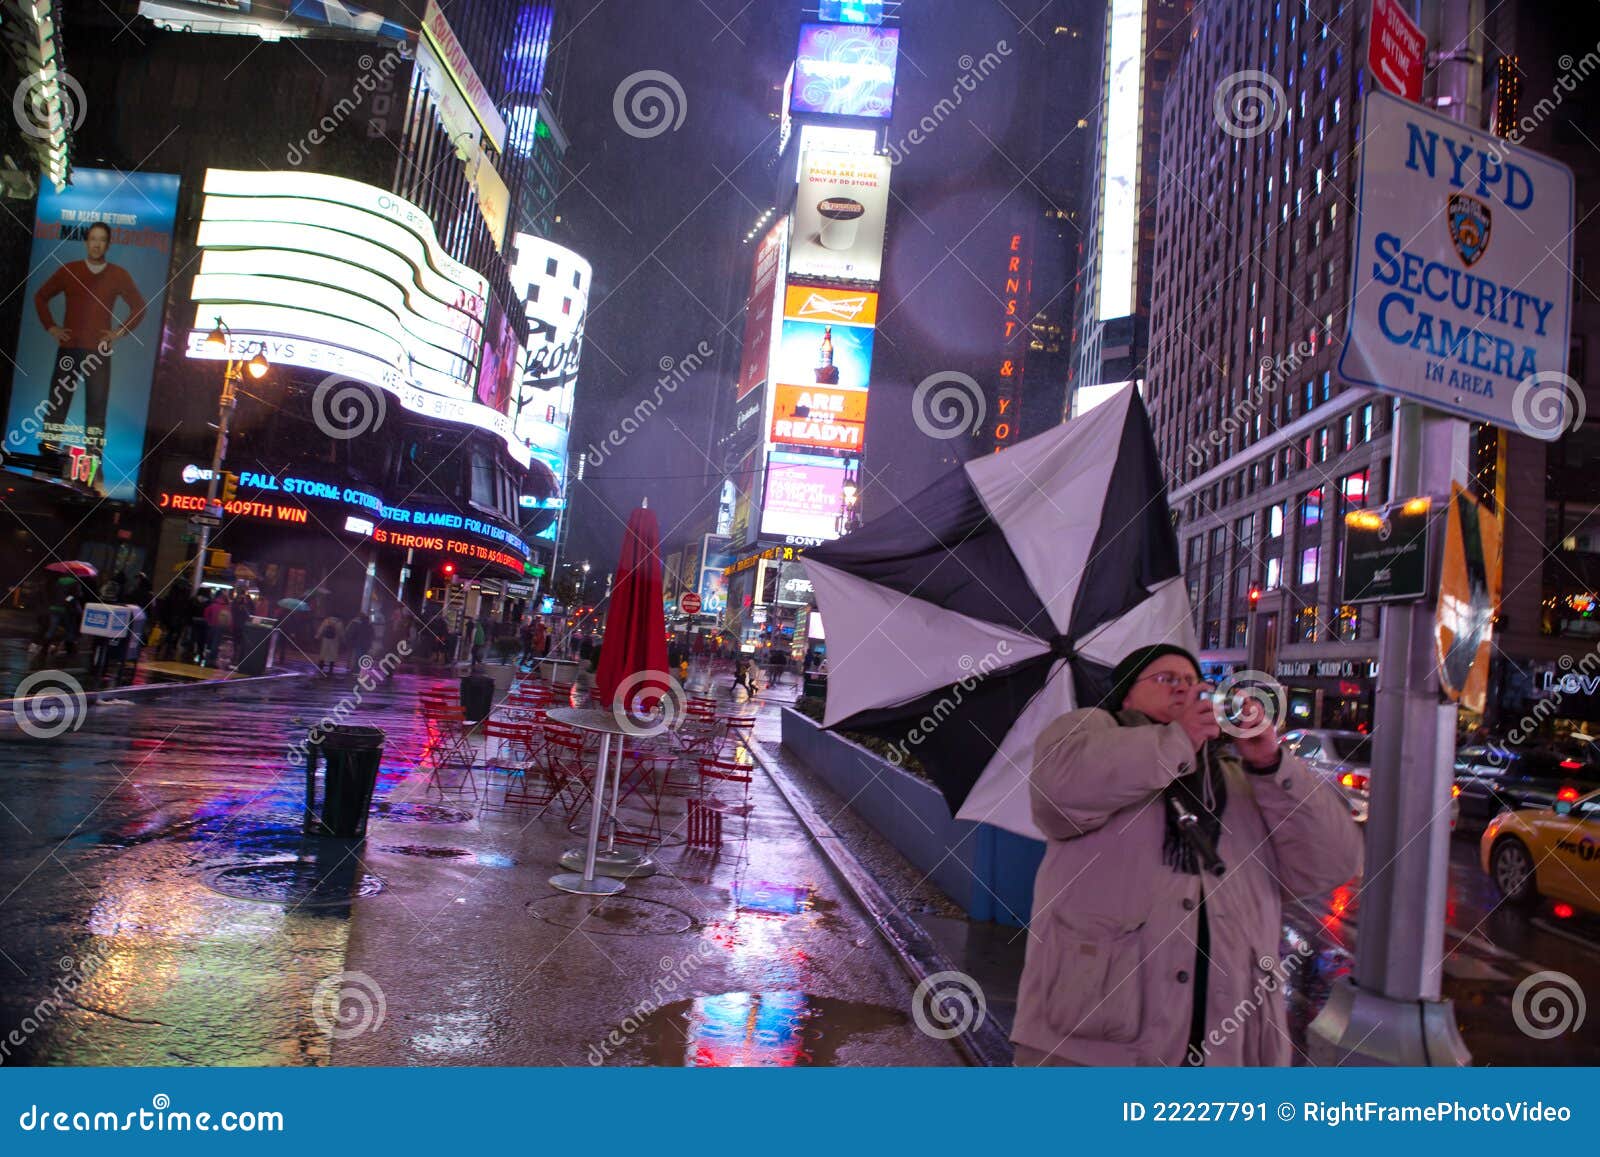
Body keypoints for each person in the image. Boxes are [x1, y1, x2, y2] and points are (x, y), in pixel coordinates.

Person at [1013, 644, 1361, 1068]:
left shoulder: (1238, 780)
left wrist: (1270, 763)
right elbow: (1059, 791)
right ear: (1126, 694)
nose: (1186, 689)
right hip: (1100, 1040)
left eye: (1194, 682)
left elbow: (1334, 861)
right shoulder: (1089, 732)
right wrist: (1177, 739)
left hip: (1231, 1046)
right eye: (1167, 680)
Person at [34, 221, 149, 471]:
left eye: (102, 239)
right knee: (57, 407)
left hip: (98, 353)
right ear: (86, 242)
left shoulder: (118, 274)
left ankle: (92, 466)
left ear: (107, 244)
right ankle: (46, 461)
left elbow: (139, 306)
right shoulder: (70, 270)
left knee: (96, 410)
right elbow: (40, 296)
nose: (97, 244)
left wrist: (118, 332)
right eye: (93, 238)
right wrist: (51, 327)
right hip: (69, 349)